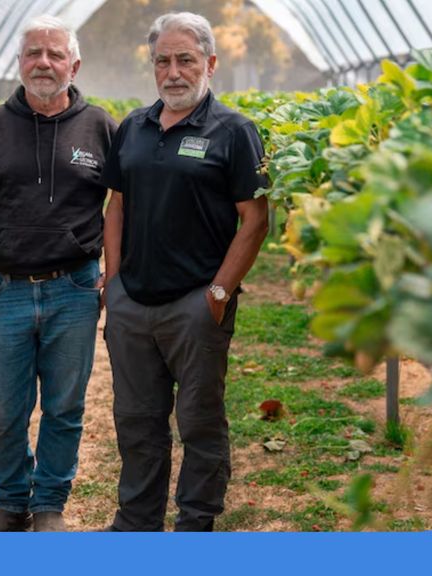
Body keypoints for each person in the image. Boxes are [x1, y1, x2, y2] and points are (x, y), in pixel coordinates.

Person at [0, 14, 117, 532]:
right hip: (6, 290)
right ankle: (10, 503)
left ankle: (49, 507)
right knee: (1, 410)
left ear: (74, 64)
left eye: (55, 54)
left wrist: (114, 269)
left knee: (65, 406)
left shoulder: (101, 126)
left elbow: (124, 204)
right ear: (19, 64)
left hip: (76, 288)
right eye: (33, 54)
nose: (44, 63)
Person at [100, 12, 270, 532]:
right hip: (133, 305)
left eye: (186, 60)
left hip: (195, 306)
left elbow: (256, 218)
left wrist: (218, 294)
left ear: (210, 64)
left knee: (199, 421)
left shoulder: (236, 132)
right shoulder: (133, 126)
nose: (173, 72)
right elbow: (117, 206)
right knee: (136, 420)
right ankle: (137, 522)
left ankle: (195, 522)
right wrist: (113, 281)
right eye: (163, 61)